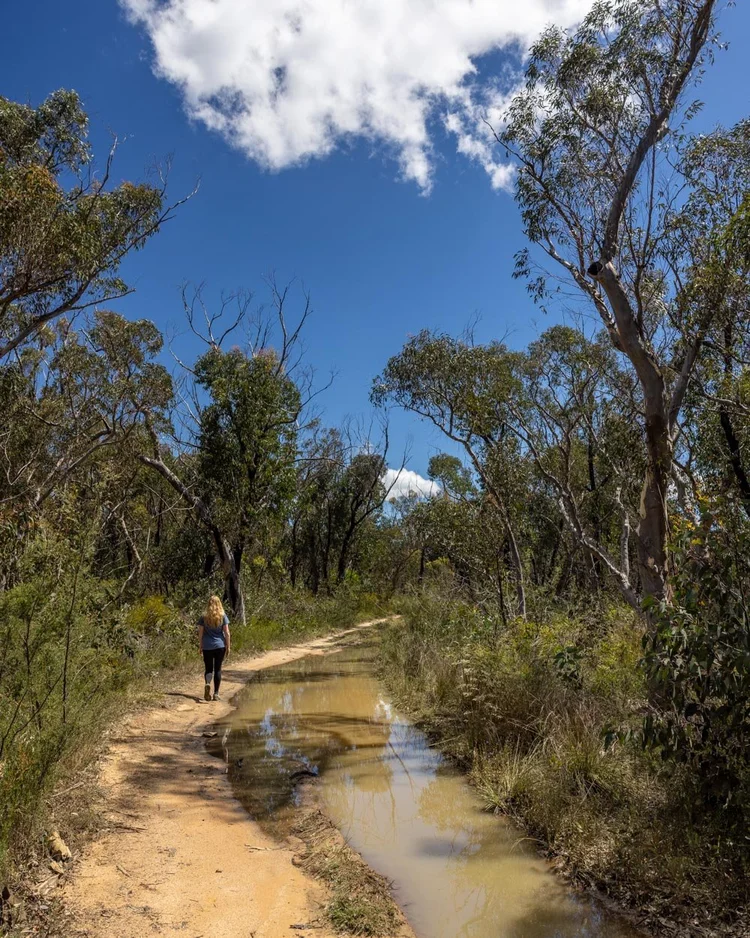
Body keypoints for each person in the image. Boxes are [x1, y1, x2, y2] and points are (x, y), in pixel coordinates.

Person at [198, 595, 231, 701]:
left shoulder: (204, 617)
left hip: (207, 646)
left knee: (208, 668)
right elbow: (227, 632)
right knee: (218, 669)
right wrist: (228, 646)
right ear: (219, 603)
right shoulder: (222, 616)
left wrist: (200, 645)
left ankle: (207, 683)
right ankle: (216, 694)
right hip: (220, 646)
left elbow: (200, 632)